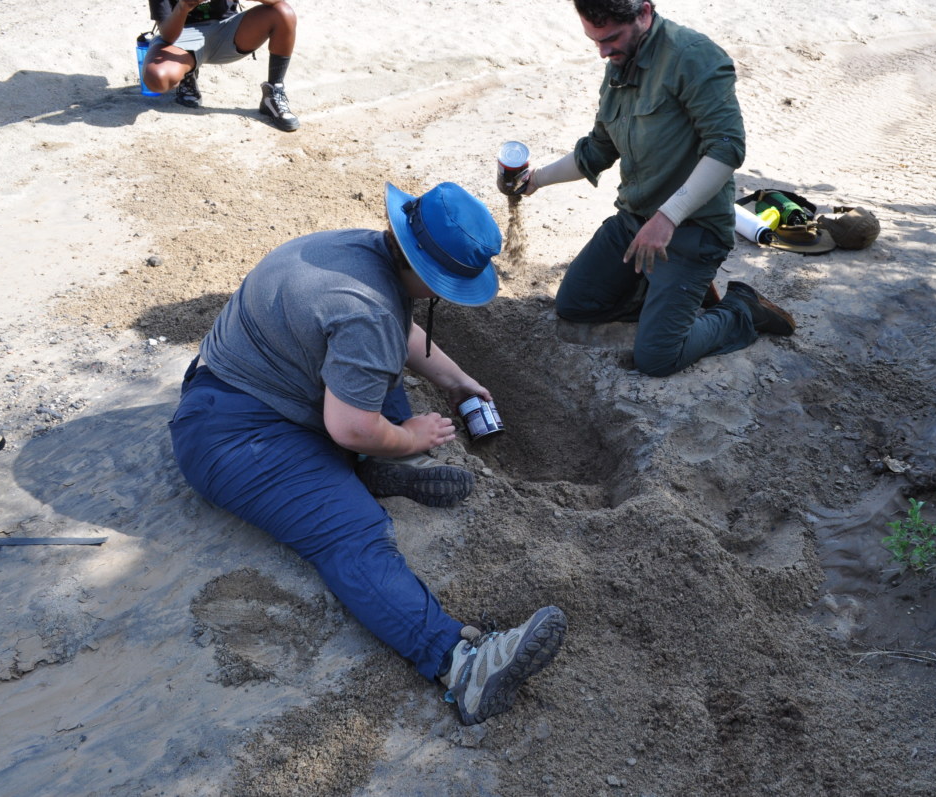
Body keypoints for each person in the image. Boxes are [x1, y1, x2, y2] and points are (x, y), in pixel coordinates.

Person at [168, 181, 566, 725]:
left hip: (250, 385)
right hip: (236, 438)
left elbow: (386, 334)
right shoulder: (370, 312)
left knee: (375, 378)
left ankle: (375, 465)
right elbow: (352, 421)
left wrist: (455, 380)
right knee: (354, 533)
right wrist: (412, 438)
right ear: (434, 278)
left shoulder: (358, 249)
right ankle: (462, 666)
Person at [519, 0, 796, 377]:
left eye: (611, 38)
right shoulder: (618, 65)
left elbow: (727, 147)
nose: (603, 51)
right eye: (595, 40)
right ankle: (671, 296)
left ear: (644, 13)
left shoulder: (693, 57)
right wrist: (534, 180)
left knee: (657, 358)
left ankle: (740, 310)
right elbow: (599, 148)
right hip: (634, 221)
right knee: (575, 304)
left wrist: (668, 218)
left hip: (690, 229)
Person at [143, 0, 301, 132]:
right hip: (182, 35)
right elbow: (168, 35)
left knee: (283, 13)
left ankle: (273, 93)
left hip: (228, 28)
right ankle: (187, 73)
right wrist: (183, 6)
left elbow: (275, 2)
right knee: (157, 79)